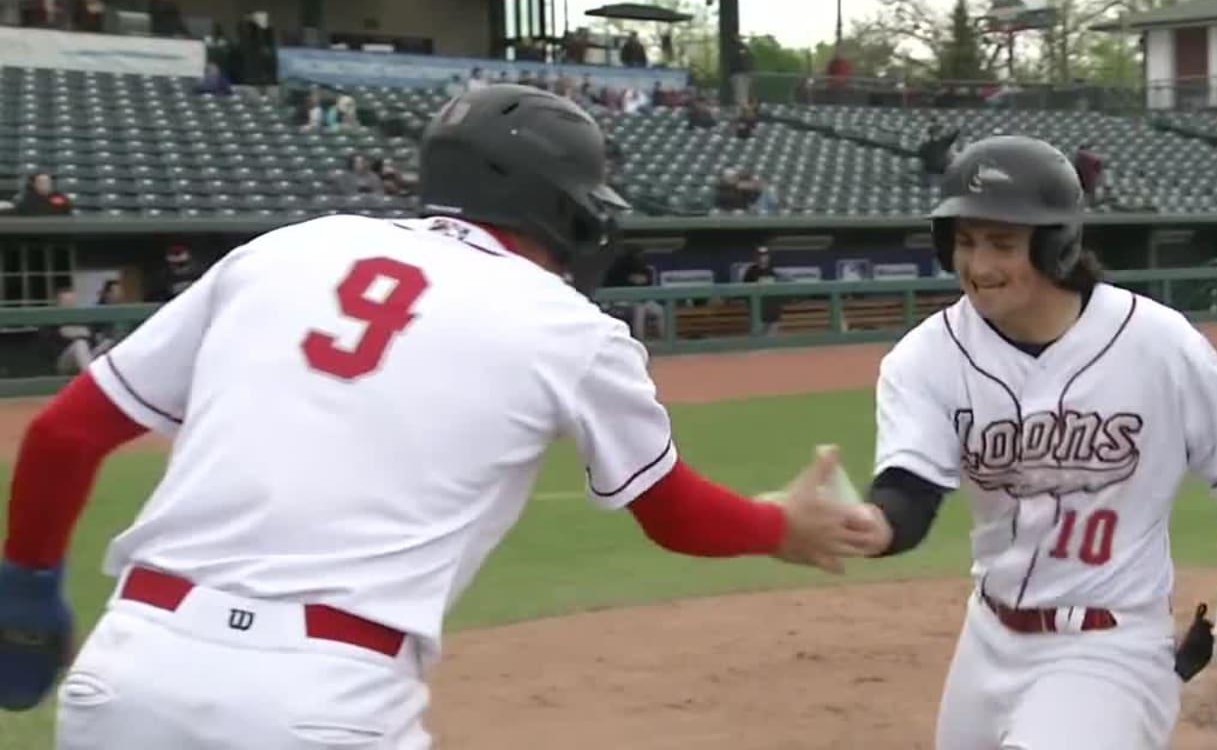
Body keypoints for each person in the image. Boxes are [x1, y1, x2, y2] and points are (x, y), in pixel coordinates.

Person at [0, 84, 878, 747]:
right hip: (324, 696)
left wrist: (27, 593)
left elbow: (63, 433)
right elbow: (672, 513)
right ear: (560, 207)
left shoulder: (285, 249)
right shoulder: (569, 327)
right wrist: (778, 526)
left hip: (131, 669)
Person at [838, 135, 1217, 750]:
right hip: (987, 640)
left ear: (1055, 243)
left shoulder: (1155, 343)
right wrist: (874, 523)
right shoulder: (925, 358)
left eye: (1003, 244)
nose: (979, 265)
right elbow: (911, 488)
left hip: (1112, 644)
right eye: (966, 241)